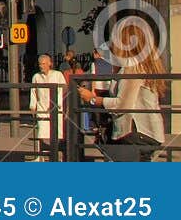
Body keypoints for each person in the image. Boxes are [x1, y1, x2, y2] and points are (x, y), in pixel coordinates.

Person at [78, 19, 167, 160]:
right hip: (146, 132)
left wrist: (93, 99)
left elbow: (122, 104)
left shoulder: (132, 67)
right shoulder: (141, 64)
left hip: (136, 132)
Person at [31, 52, 68, 155]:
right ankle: (40, 155)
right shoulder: (36, 77)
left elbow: (63, 91)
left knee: (57, 133)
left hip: (56, 109)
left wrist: (57, 105)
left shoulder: (58, 75)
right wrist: (32, 106)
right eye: (39, 64)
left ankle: (57, 155)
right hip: (42, 109)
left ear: (49, 64)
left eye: (43, 64)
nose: (41, 66)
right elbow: (34, 92)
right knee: (42, 132)